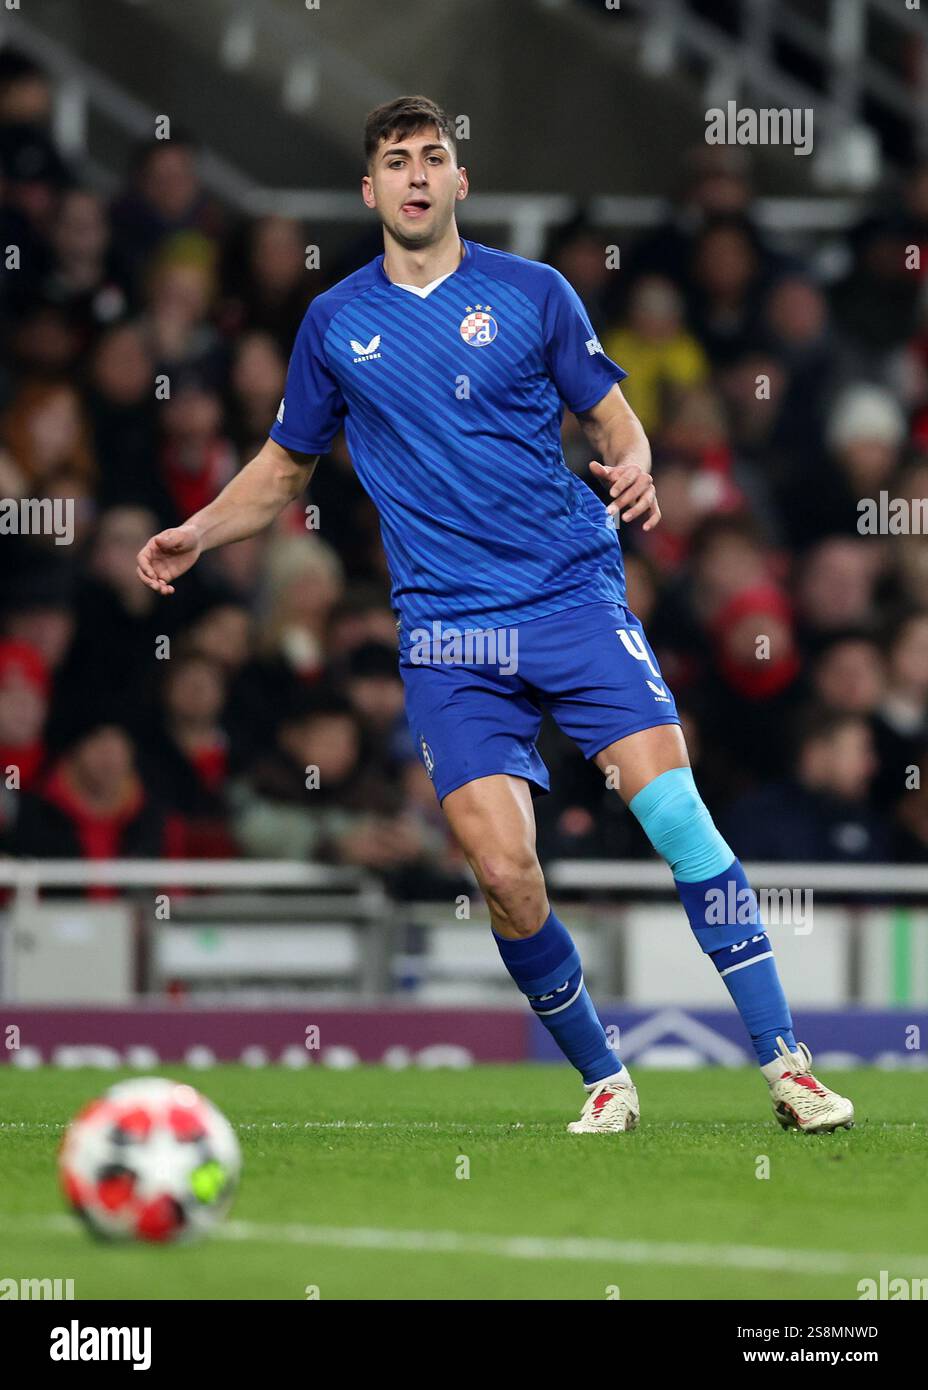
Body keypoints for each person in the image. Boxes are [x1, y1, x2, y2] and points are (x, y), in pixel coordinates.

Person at [136, 95, 853, 1136]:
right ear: (371, 190)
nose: (417, 174)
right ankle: (606, 1078)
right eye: (397, 160)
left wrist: (640, 466)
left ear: (460, 182)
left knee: (673, 813)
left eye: (434, 156)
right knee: (507, 874)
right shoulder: (336, 322)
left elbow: (612, 419)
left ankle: (786, 1062)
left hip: (568, 595)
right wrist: (197, 532)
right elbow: (285, 466)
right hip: (446, 635)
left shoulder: (535, 292)